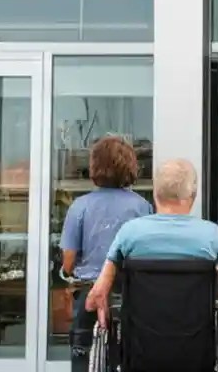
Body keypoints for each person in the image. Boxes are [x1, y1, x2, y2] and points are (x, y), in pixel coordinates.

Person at [84, 159, 218, 325]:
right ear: (193, 195)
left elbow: (101, 288)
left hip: (140, 341)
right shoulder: (212, 235)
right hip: (196, 339)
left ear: (155, 193)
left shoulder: (129, 232)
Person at [61, 136, 152, 372]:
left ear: (94, 166)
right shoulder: (142, 207)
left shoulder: (79, 206)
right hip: (129, 295)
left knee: (84, 357)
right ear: (130, 167)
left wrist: (67, 276)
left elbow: (68, 263)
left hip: (89, 292)